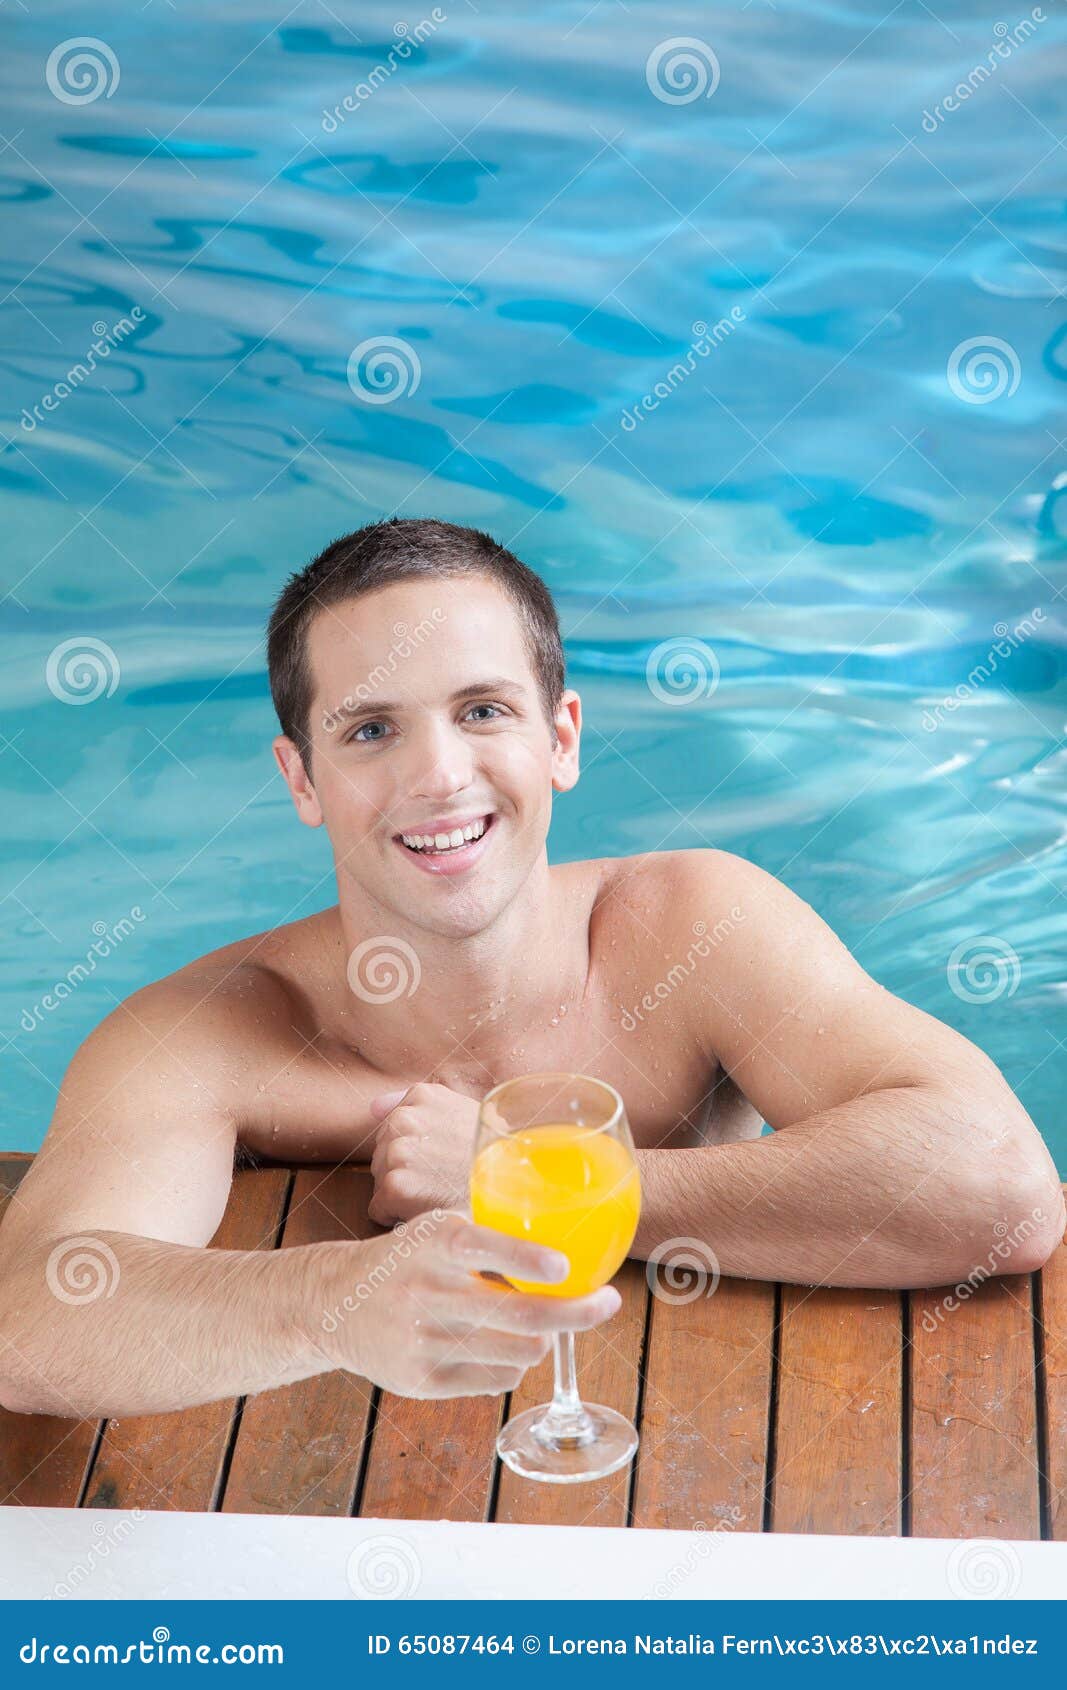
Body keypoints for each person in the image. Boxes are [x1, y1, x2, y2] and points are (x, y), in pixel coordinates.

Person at [1, 517, 1061, 1420]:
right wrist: (329, 1296)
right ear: (302, 777)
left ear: (560, 736)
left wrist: (547, 1186)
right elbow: (30, 1318)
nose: (437, 775)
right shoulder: (208, 1031)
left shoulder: (692, 926)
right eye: (370, 729)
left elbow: (1001, 1190)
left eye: (481, 710)